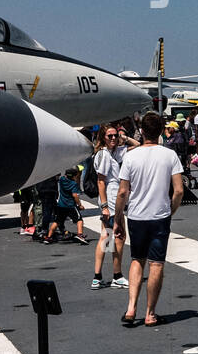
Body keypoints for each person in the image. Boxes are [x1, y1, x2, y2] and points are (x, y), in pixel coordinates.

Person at [115, 112, 184, 328]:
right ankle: (150, 313)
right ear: (162, 130)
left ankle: (131, 307)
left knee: (137, 259)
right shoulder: (169, 155)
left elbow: (123, 192)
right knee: (156, 264)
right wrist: (170, 210)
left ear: (142, 131)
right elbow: (179, 191)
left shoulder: (130, 156)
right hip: (159, 215)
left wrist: (118, 219)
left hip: (136, 215)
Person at [92, 125, 129, 289]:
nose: (113, 138)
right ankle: (117, 275)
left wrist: (124, 138)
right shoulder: (105, 155)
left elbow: (135, 145)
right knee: (119, 237)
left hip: (110, 199)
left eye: (115, 136)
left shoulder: (111, 152)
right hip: (112, 200)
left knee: (106, 237)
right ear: (103, 138)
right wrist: (106, 206)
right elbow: (101, 181)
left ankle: (98, 277)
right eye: (110, 136)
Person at [45, 167, 88, 245]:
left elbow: (62, 176)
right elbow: (75, 195)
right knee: (79, 220)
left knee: (57, 221)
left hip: (61, 205)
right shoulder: (73, 184)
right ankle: (80, 235)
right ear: (74, 176)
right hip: (71, 206)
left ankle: (49, 237)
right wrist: (80, 205)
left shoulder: (62, 180)